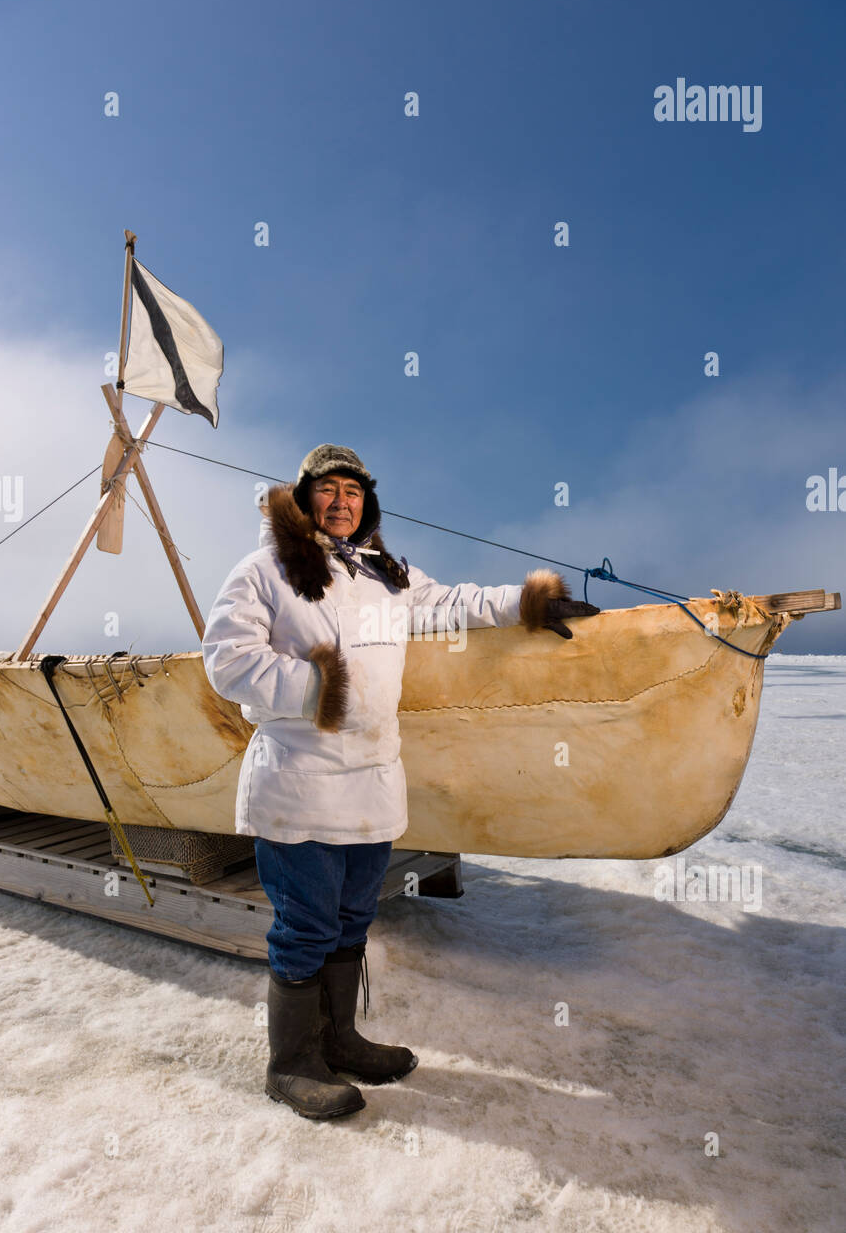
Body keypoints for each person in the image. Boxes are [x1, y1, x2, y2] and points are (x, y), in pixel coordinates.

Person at [201, 445, 599, 1120]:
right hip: (300, 783)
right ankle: (291, 1064)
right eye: (327, 490)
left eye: (352, 491)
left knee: (354, 919)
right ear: (304, 498)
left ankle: (341, 1038)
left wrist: (528, 603)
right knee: (304, 926)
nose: (341, 502)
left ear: (367, 502)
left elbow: (449, 605)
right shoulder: (263, 570)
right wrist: (322, 690)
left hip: (373, 783)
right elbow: (227, 660)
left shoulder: (386, 575)